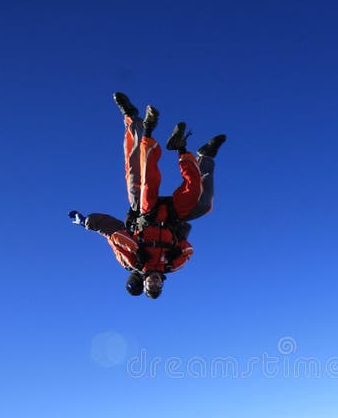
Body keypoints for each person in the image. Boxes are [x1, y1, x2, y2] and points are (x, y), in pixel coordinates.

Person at [69, 92, 226, 298]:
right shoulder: (170, 266)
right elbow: (188, 251)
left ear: (144, 282)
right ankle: (202, 156)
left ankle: (137, 123)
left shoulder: (133, 263)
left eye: (150, 285)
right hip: (170, 218)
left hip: (145, 214)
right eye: (157, 285)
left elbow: (114, 235)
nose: (154, 281)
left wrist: (87, 222)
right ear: (162, 284)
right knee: (203, 202)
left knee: (140, 174)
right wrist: (177, 251)